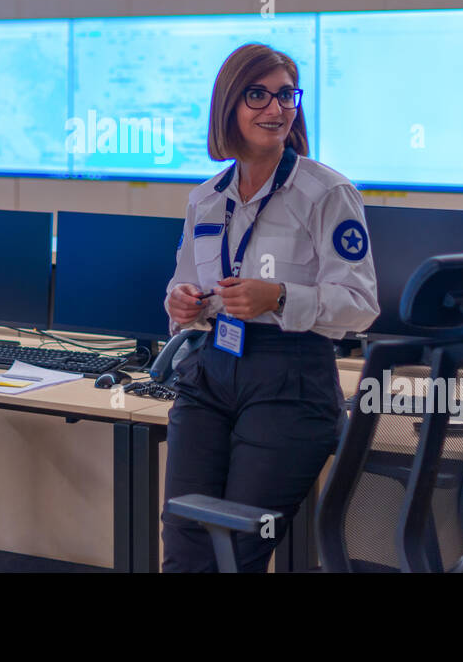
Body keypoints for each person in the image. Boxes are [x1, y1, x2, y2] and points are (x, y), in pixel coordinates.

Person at [160, 43, 380, 572]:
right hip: (210, 371)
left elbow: (361, 305)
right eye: (257, 95)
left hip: (290, 378)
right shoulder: (206, 198)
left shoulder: (327, 192)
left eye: (286, 95)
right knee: (186, 545)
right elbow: (182, 285)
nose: (276, 108)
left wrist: (279, 296)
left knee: (236, 550)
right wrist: (180, 302)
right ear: (229, 105)